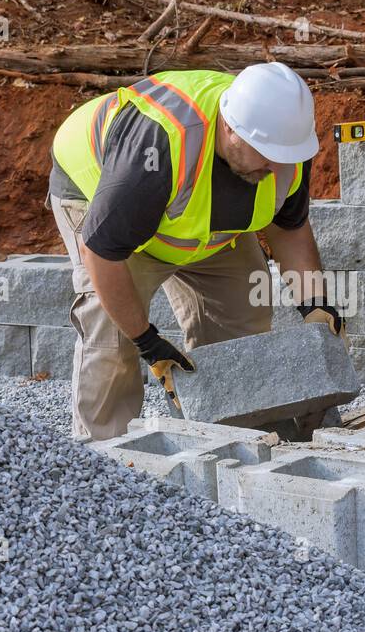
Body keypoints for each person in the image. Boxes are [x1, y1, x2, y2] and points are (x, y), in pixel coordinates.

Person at [46, 62, 343, 441]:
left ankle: (233, 435)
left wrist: (314, 304)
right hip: (101, 201)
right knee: (111, 334)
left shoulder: (284, 146)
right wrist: (147, 341)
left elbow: (289, 229)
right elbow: (101, 252)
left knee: (243, 313)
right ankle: (105, 455)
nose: (275, 166)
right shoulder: (159, 147)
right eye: (265, 154)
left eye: (282, 156)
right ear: (229, 127)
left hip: (192, 222)